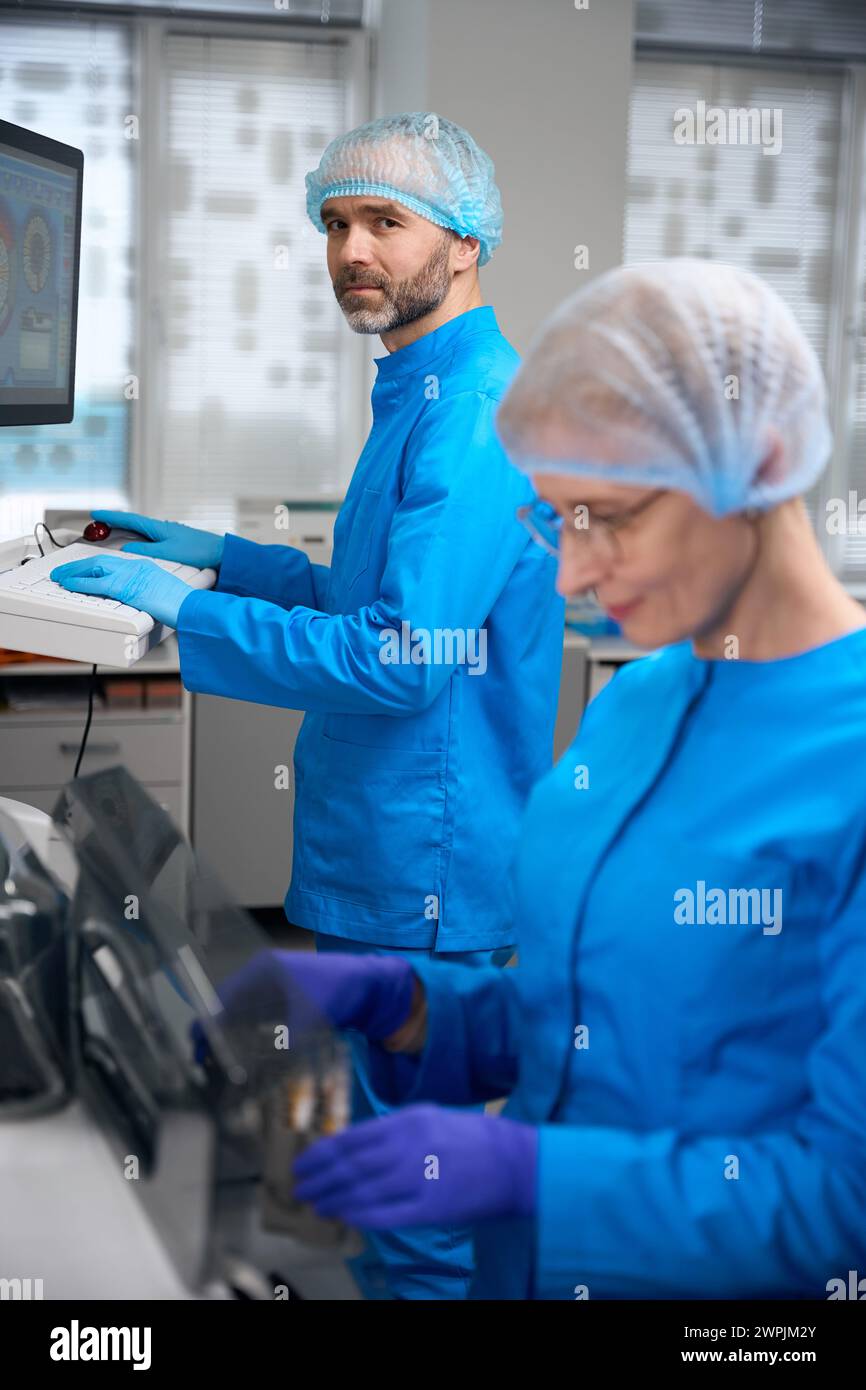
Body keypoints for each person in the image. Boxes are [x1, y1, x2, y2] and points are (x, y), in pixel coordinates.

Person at [214, 260, 866, 1299]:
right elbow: (606, 1022)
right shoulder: (640, 699)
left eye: (607, 515)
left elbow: (840, 1201)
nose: (569, 574)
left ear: (764, 461)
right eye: (552, 516)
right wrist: (415, 1006)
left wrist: (528, 1172)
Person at [51, 112, 564, 1300]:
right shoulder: (419, 389)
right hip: (388, 847)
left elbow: (400, 653)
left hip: (422, 863)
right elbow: (361, 591)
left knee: (410, 1177)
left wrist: (184, 614)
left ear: (467, 238)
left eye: (385, 221)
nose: (351, 250)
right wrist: (216, 558)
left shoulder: (475, 412)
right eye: (334, 222)